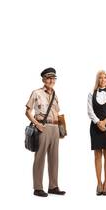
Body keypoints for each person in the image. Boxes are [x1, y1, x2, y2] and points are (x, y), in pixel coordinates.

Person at [25, 67, 66, 197]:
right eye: (49, 78)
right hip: (42, 127)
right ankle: (38, 187)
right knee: (39, 158)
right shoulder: (36, 93)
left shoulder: (55, 94)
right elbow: (27, 111)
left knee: (54, 158)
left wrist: (62, 129)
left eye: (53, 78)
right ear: (43, 79)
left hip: (54, 128)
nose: (51, 80)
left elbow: (57, 113)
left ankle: (53, 186)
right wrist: (37, 124)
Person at [87, 70, 106, 196]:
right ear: (97, 80)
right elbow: (90, 111)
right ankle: (99, 183)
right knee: (97, 155)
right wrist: (98, 123)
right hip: (95, 126)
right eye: (100, 77)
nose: (103, 79)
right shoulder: (91, 94)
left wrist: (104, 122)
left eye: (105, 77)